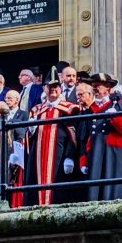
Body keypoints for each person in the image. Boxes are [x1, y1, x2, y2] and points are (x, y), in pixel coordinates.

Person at [23, 67, 78, 206]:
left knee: (59, 190)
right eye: (50, 87)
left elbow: (74, 135)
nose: (53, 89)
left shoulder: (70, 109)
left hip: (59, 157)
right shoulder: (36, 111)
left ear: (60, 89)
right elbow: (29, 140)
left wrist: (70, 156)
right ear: (44, 89)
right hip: (38, 159)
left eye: (56, 86)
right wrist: (31, 130)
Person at [79, 73, 122, 201]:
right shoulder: (89, 111)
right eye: (93, 86)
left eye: (98, 86)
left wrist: (116, 118)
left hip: (113, 153)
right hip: (95, 154)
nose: (95, 88)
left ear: (108, 87)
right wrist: (83, 160)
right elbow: (83, 138)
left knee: (113, 187)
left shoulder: (120, 106)